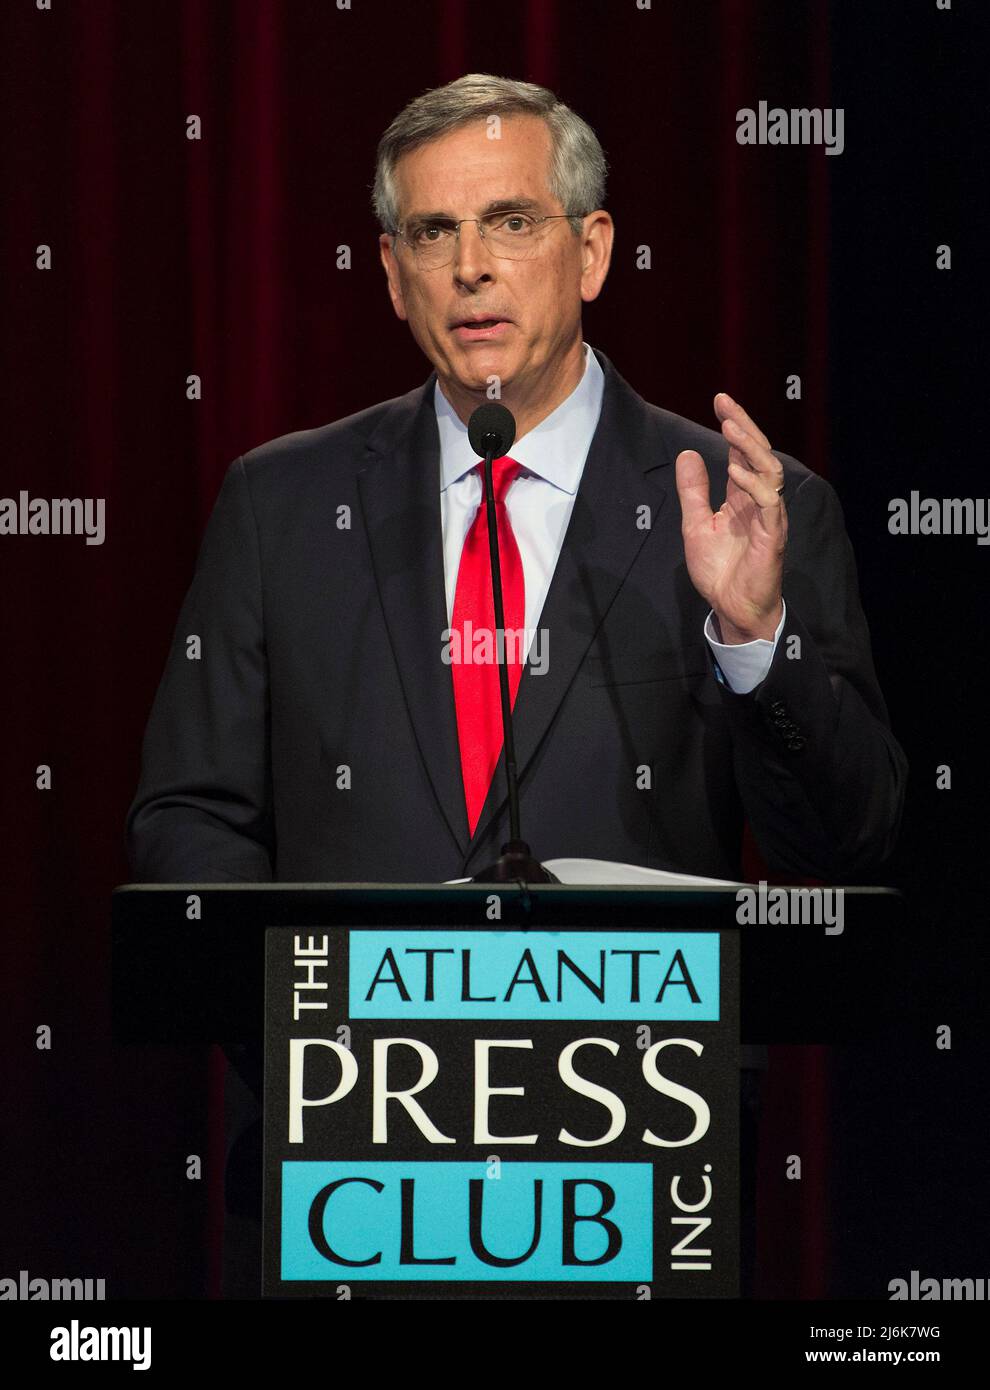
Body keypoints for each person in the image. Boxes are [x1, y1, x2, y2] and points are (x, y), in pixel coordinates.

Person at [125, 73, 907, 1296]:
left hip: (635, 1178)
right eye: (432, 234)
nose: (470, 268)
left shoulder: (752, 507)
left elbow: (849, 843)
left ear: (591, 250)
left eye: (511, 222)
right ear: (391, 274)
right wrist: (325, 1045)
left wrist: (755, 642)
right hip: (346, 1176)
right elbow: (190, 821)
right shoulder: (279, 506)